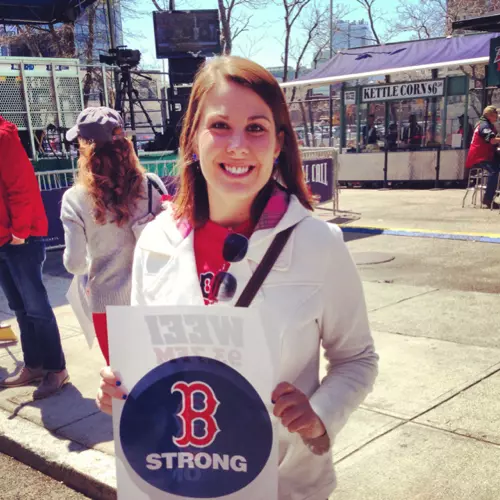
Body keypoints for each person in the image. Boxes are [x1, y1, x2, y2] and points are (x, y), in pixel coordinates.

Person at [96, 56, 378, 500]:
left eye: (257, 128)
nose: (239, 145)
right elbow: (147, 367)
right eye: (221, 126)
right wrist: (119, 389)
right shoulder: (154, 241)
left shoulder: (320, 244)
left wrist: (320, 413)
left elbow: (357, 357)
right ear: (192, 138)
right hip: (179, 482)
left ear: (279, 142)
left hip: (285, 486)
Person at [60, 107, 165, 365]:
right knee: (161, 379)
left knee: (123, 385)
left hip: (108, 306)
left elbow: (74, 264)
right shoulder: (152, 185)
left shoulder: (75, 199)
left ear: (84, 148)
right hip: (154, 301)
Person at [0, 115, 68, 399]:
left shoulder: (3, 137)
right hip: (6, 236)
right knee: (19, 306)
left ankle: (56, 369)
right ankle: (35, 365)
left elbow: (20, 186)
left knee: (35, 306)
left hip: (19, 236)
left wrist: (19, 229)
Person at [465, 105, 500, 209]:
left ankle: (493, 192)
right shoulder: (484, 126)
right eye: (495, 114)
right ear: (489, 115)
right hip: (479, 157)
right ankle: (488, 199)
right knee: (494, 171)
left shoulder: (487, 124)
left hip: (487, 155)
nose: (497, 116)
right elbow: (492, 140)